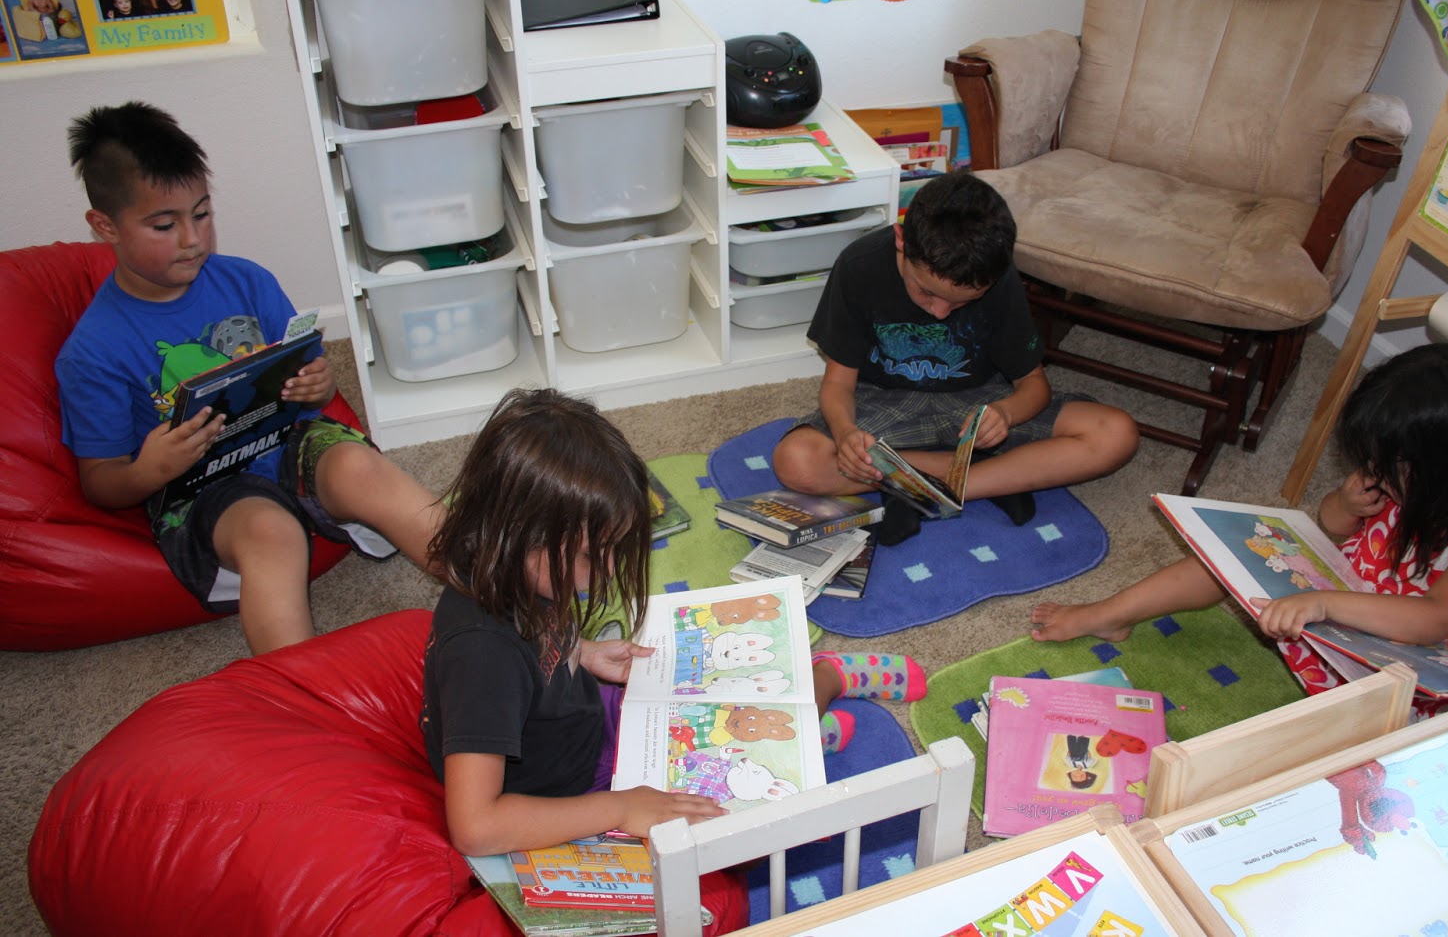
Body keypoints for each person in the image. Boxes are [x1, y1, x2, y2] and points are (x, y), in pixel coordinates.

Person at [421, 387, 928, 855]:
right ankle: (812, 706)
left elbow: (533, 648)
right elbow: (475, 827)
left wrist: (585, 652)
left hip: (587, 722)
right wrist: (621, 808)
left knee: (719, 693)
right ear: (519, 535)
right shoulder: (481, 656)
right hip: (570, 793)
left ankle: (817, 685)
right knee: (730, 819)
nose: (611, 570)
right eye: (590, 555)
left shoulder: (514, 570)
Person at [54, 102, 445, 655]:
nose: (193, 238)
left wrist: (320, 385)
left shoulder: (247, 281)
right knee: (271, 534)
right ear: (105, 227)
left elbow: (312, 376)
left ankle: (511, 596)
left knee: (362, 465)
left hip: (288, 441)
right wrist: (151, 468)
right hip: (205, 486)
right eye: (165, 225)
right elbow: (100, 481)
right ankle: (305, 694)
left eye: (203, 213)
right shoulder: (92, 351)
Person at [1030, 343, 1448, 704]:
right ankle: (1114, 613)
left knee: (1354, 737)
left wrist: (1323, 602)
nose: (1377, 473)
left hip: (1409, 657)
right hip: (1345, 593)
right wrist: (1349, 503)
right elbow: (1331, 524)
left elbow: (1434, 621)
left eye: (1392, 465)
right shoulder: (1397, 481)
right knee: (1224, 559)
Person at [771, 171, 1140, 546]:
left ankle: (921, 486)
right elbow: (837, 383)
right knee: (797, 461)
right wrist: (846, 433)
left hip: (978, 400)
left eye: (965, 301)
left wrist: (1006, 414)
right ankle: (994, 477)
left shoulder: (998, 275)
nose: (942, 312)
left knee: (1116, 434)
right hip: (884, 400)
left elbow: (1034, 387)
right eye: (927, 292)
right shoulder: (859, 266)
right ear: (901, 241)